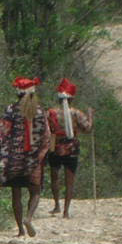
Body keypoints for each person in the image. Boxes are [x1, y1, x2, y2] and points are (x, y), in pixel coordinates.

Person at [0, 76, 50, 236]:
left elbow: (3, 132)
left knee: (16, 193)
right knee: (35, 191)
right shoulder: (40, 112)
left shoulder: (11, 110)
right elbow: (46, 136)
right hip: (33, 158)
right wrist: (41, 154)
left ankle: (20, 230)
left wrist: (1, 153)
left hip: (14, 158)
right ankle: (28, 218)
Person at [46, 77, 94, 217]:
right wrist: (90, 116)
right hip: (71, 147)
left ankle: (56, 205)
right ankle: (66, 210)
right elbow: (87, 128)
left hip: (54, 146)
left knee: (54, 176)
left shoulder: (51, 112)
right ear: (71, 99)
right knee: (69, 179)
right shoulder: (76, 113)